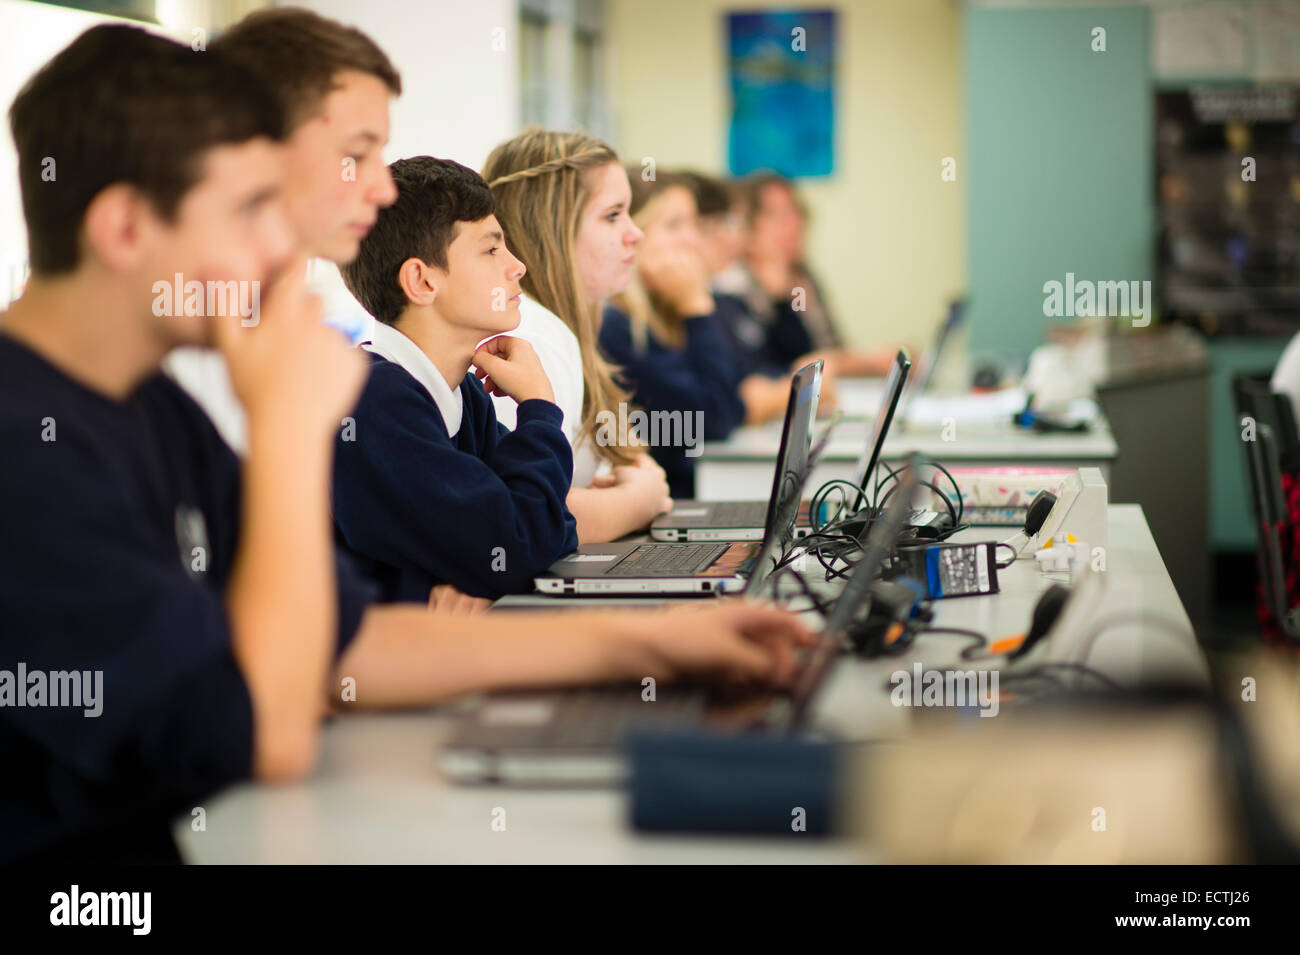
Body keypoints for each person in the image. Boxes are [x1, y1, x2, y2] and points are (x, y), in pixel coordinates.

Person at [0, 21, 811, 864]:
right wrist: (287, 427)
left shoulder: (151, 408)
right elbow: (270, 722)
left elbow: (349, 644)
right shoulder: (29, 450)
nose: (277, 244)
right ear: (127, 230)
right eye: (248, 211)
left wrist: (654, 645)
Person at [333, 157, 576, 600]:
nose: (517, 266)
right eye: (491, 249)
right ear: (422, 282)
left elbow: (551, 529)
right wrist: (540, 409)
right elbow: (519, 547)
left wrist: (480, 574)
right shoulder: (373, 401)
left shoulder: (462, 395)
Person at [482, 129, 672, 542]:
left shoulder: (559, 329)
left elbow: (634, 465)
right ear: (551, 230)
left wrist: (638, 485)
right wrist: (638, 500)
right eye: (612, 215)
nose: (635, 232)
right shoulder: (527, 336)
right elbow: (521, 513)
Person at [598, 171, 748, 498]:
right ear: (633, 233)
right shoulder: (617, 329)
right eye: (674, 226)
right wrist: (697, 306)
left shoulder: (661, 322)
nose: (692, 240)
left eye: (694, 225)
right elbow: (715, 419)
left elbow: (731, 405)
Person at [716, 171, 896, 379]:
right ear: (750, 227)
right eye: (779, 215)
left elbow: (827, 348)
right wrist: (868, 363)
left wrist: (867, 362)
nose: (795, 224)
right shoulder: (734, 284)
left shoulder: (801, 278)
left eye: (797, 212)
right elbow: (783, 367)